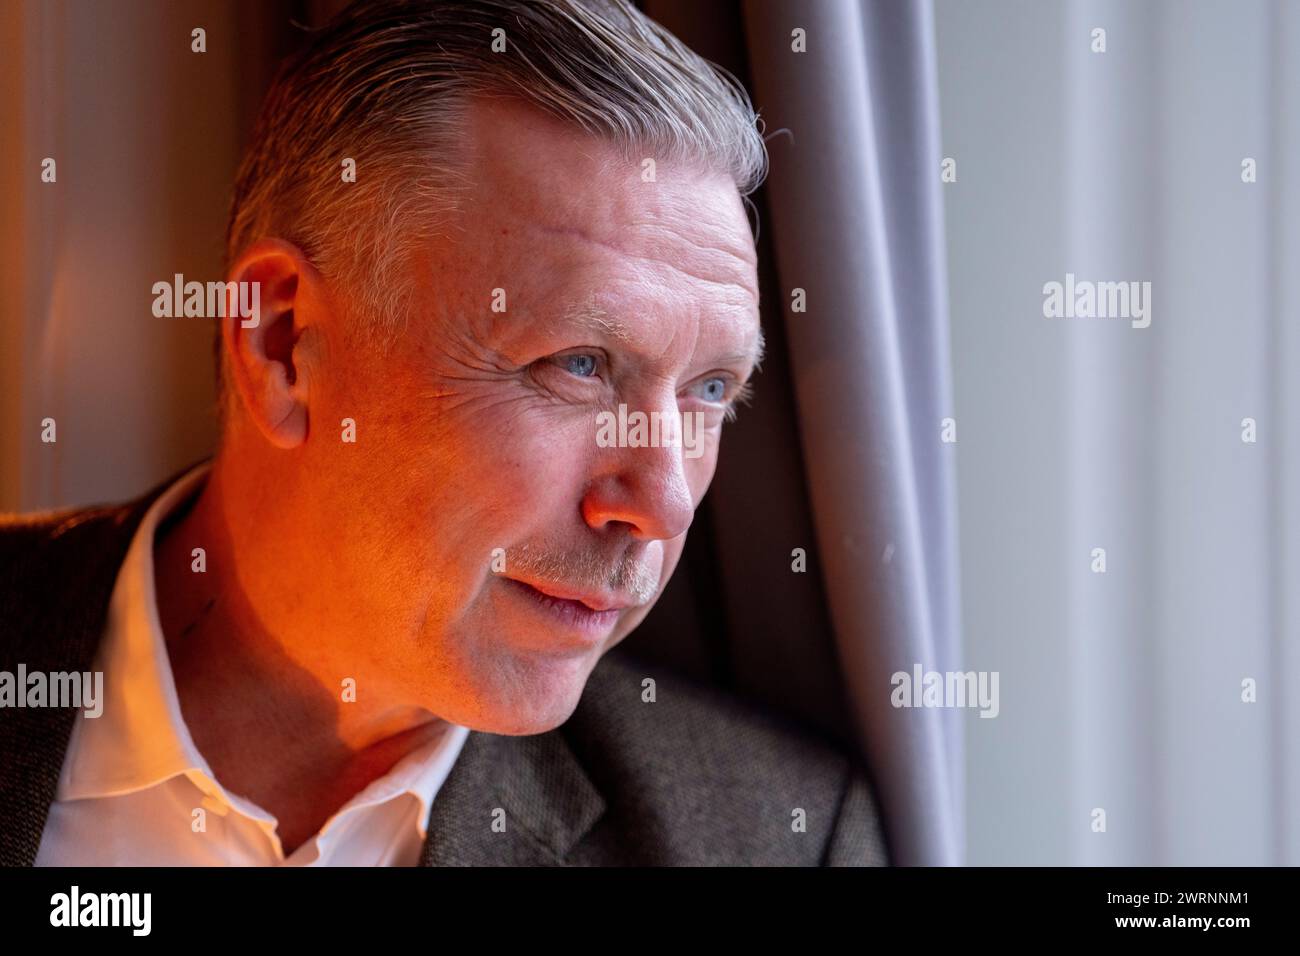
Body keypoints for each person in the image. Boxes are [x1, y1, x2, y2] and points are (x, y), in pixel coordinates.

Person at [0, 0, 888, 866]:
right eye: (578, 364)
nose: (663, 506)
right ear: (283, 344)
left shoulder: (776, 840)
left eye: (710, 390)